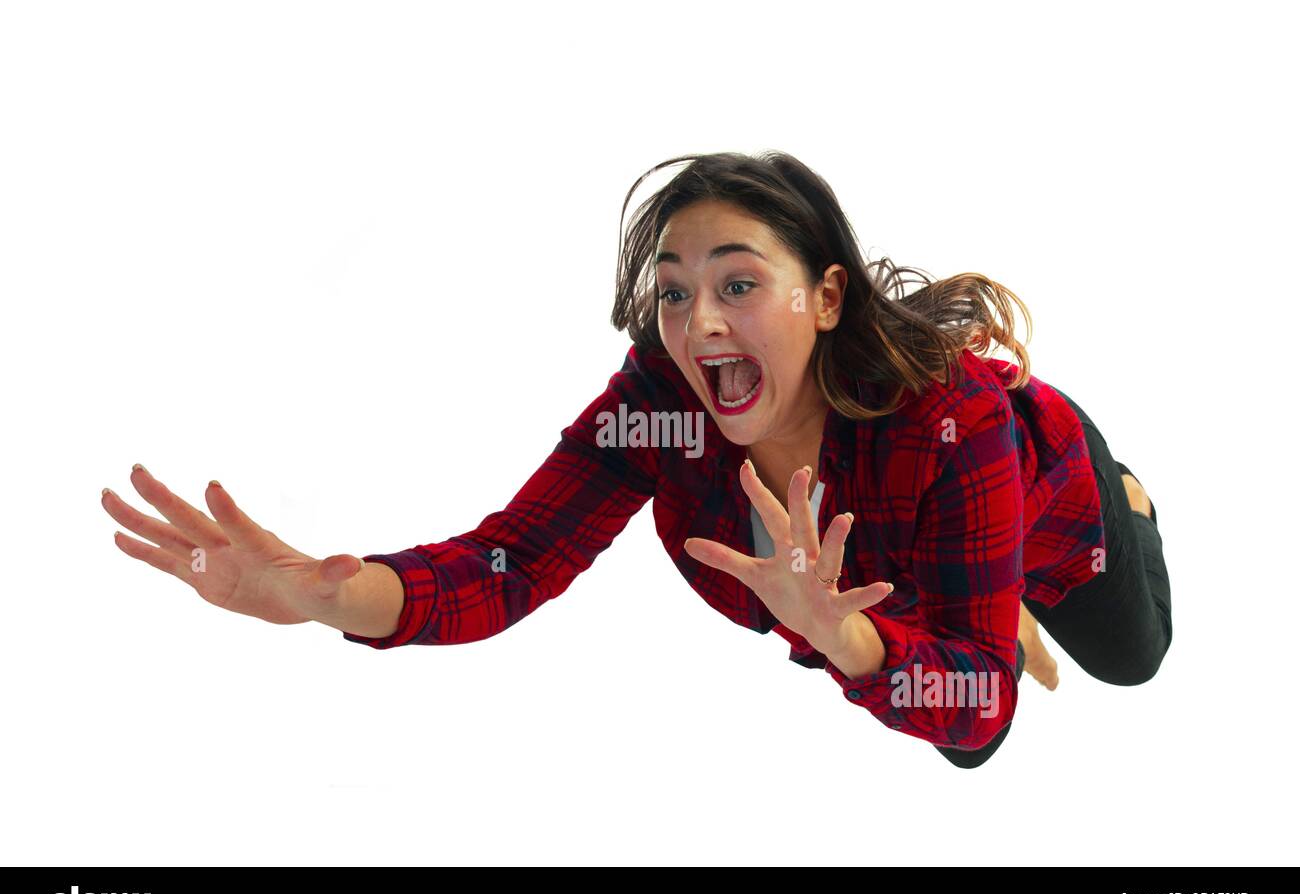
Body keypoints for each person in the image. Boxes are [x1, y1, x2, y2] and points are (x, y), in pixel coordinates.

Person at [100, 151, 1172, 767]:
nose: (697, 320)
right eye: (670, 290)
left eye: (738, 283)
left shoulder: (953, 419)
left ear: (826, 296)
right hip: (922, 569)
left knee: (1126, 663)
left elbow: (980, 706)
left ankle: (1108, 503)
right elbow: (509, 561)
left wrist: (846, 631)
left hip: (1047, 501)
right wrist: (334, 596)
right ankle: (977, 592)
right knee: (950, 637)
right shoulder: (659, 408)